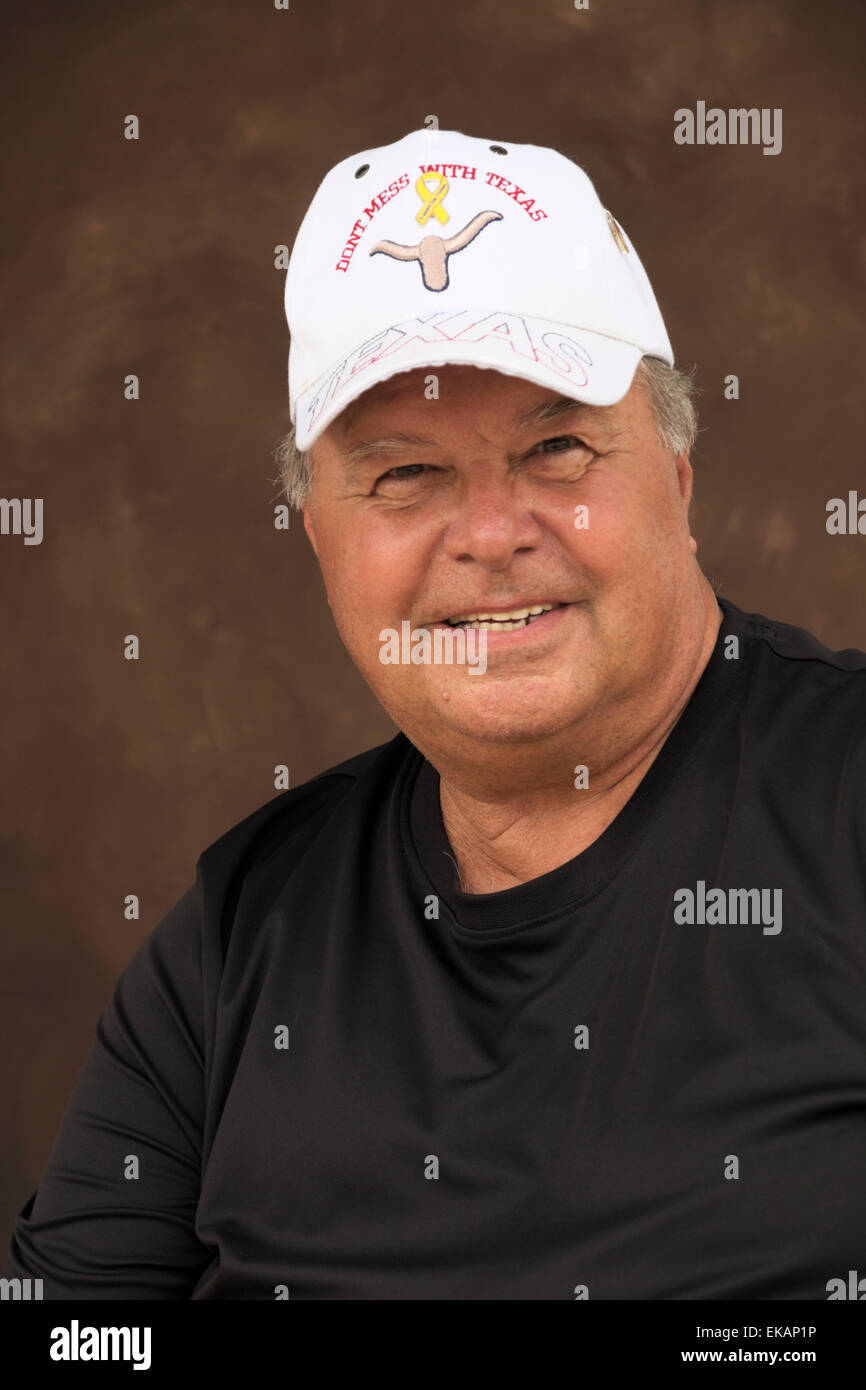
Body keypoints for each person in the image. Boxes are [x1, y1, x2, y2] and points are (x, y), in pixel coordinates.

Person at [3, 129, 865, 1301]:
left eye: (556, 447)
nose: (490, 532)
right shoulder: (240, 929)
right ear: (318, 535)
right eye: (404, 473)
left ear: (674, 475)